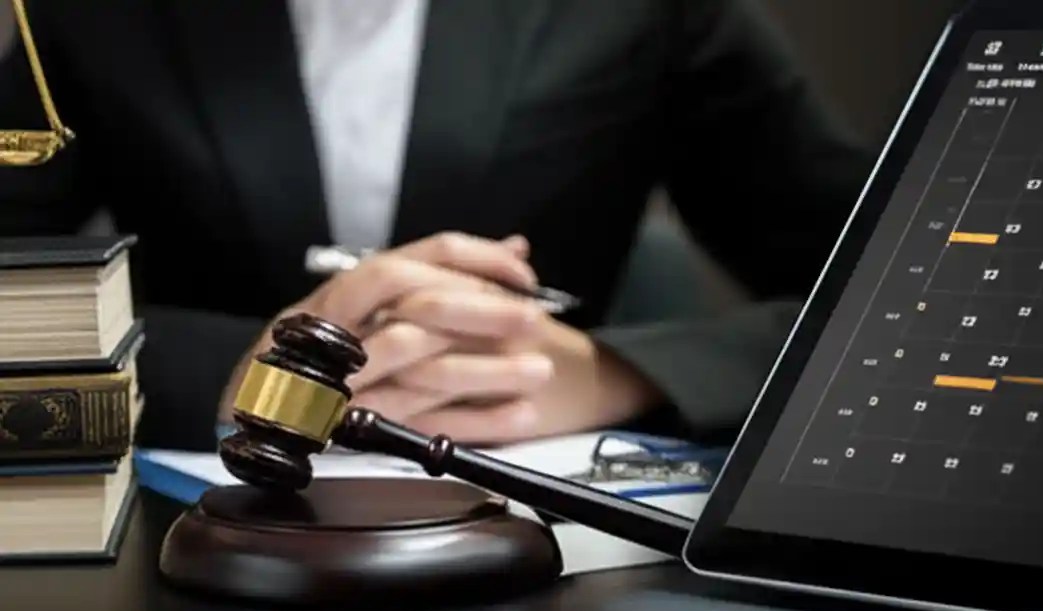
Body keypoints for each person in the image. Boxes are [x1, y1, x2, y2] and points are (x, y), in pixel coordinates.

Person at [0, 0, 871, 450]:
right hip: (189, 545)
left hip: (552, 552)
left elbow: (896, 288)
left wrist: (617, 375)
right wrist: (236, 376)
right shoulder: (86, 13)